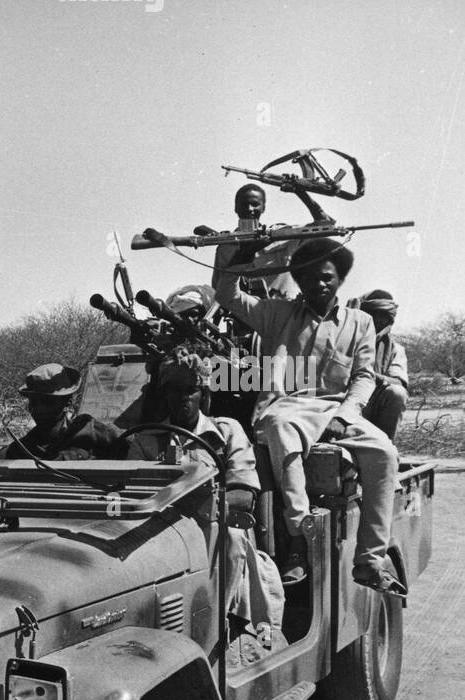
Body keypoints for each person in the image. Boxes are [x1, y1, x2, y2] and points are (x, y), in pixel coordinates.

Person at [214, 237, 403, 595]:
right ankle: (299, 539)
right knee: (279, 427)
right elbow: (228, 295)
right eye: (310, 278)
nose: (320, 283)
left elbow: (363, 377)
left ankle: (369, 561)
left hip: (337, 410)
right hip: (287, 407)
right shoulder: (275, 313)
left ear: (339, 279)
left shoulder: (360, 322)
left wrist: (346, 416)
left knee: (384, 452)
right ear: (298, 281)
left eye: (327, 277)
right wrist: (237, 258)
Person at [127, 352, 284, 660]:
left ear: (203, 394)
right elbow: (131, 495)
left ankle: (215, 628)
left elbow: (244, 497)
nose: (182, 398)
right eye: (174, 390)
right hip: (160, 531)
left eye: (190, 390)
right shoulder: (147, 440)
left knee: (231, 535)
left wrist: (195, 502)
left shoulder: (226, 433)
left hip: (213, 532)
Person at [3, 364, 124, 460]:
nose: (39, 408)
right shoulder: (23, 448)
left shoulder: (89, 430)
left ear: (67, 402)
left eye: (47, 401)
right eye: (33, 401)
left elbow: (131, 445)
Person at [357, 290, 410, 441]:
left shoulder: (394, 349)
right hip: (340, 404)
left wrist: (366, 376)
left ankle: (384, 445)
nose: (379, 321)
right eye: (374, 315)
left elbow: (399, 381)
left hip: (370, 404)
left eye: (384, 316)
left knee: (397, 393)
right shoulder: (344, 339)